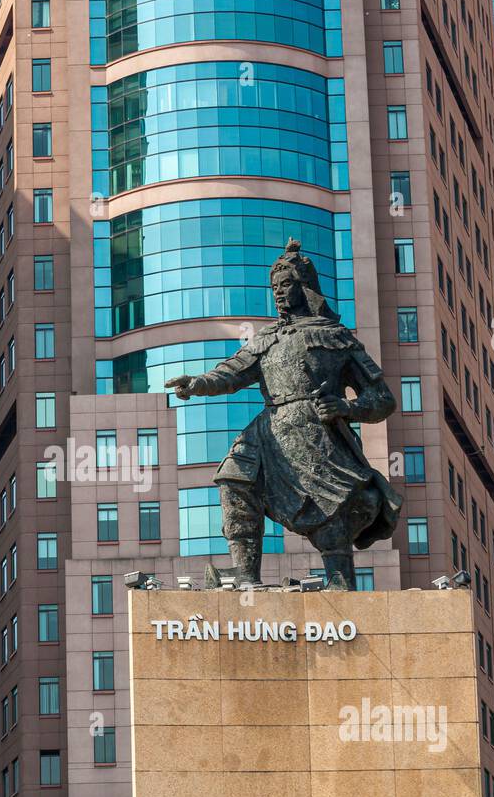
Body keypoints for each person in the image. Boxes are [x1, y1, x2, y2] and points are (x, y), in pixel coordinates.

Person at [164, 238, 402, 589]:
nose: (278, 293)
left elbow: (383, 399)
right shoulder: (267, 338)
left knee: (328, 507)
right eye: (274, 287)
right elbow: (231, 373)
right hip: (270, 428)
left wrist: (348, 407)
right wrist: (196, 383)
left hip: (316, 430)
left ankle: (341, 582)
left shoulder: (336, 337)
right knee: (233, 478)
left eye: (286, 285)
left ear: (304, 287)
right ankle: (245, 573)